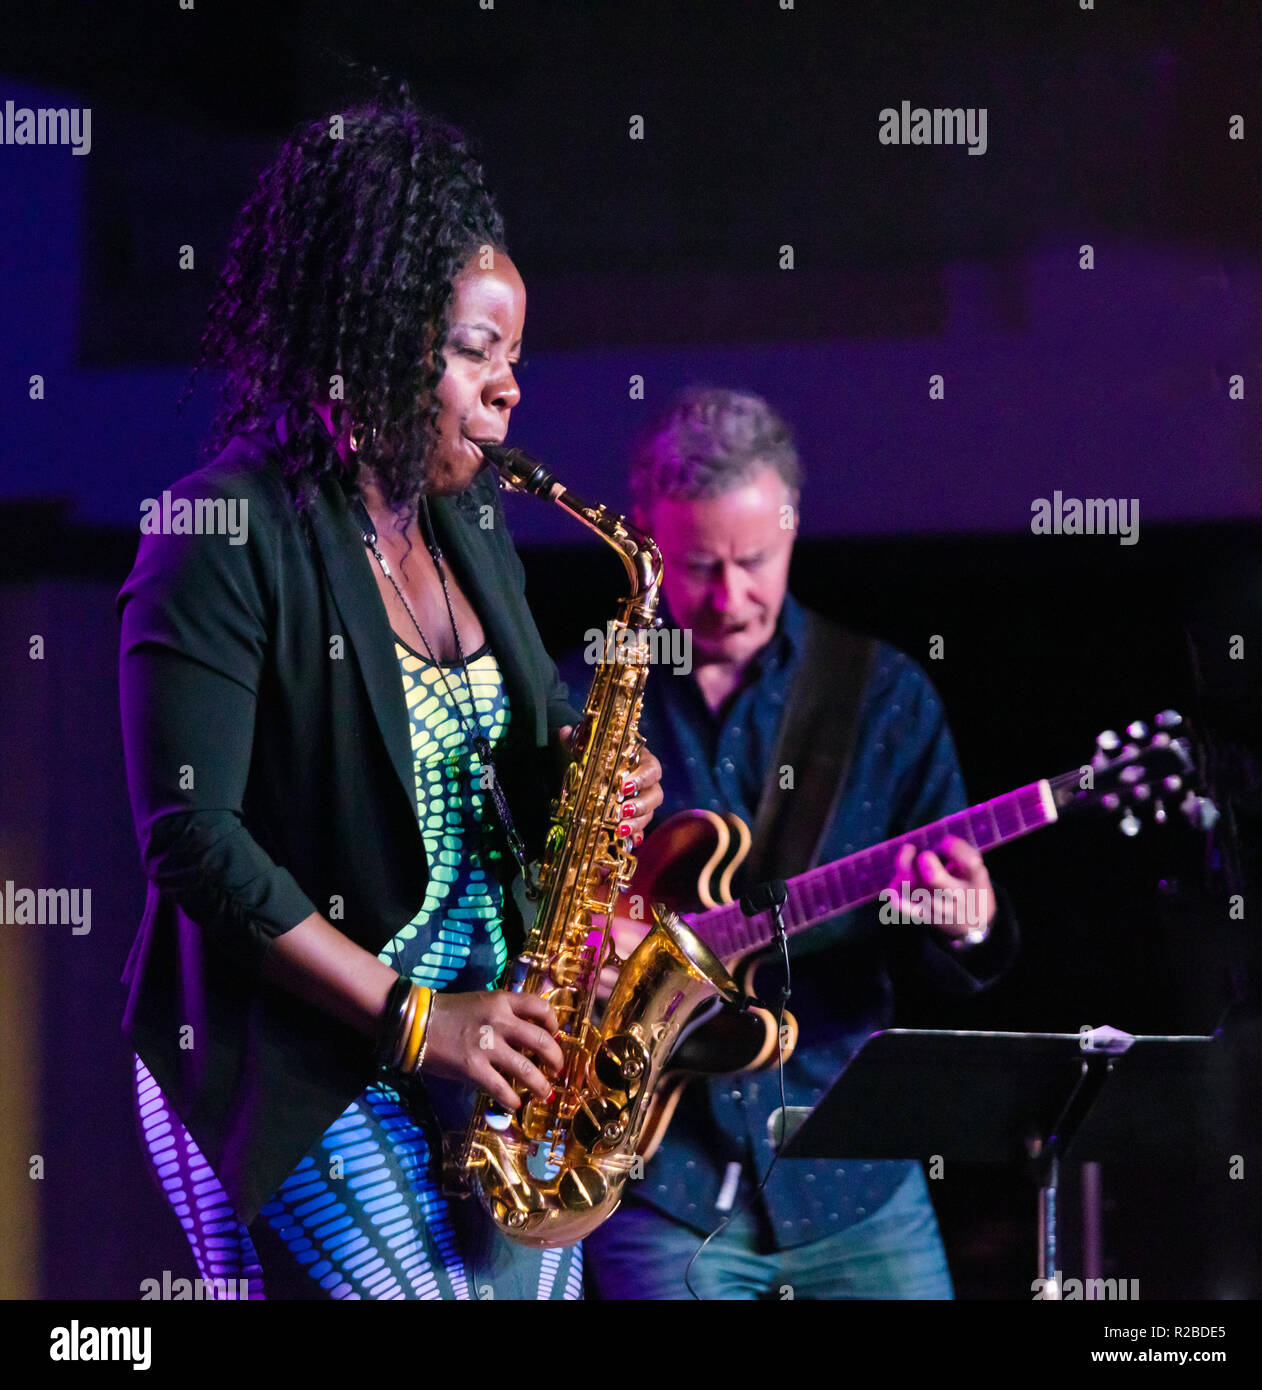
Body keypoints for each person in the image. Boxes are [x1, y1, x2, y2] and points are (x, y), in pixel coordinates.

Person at [117, 86, 663, 1301]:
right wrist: (418, 1020)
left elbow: (514, 745)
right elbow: (195, 843)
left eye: (512, 356)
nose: (507, 387)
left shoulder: (466, 515)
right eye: (474, 351)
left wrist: (587, 767)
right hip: (294, 1054)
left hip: (480, 1047)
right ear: (370, 334)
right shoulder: (222, 528)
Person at [576, 388, 1017, 1299]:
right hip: (654, 1179)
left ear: (793, 526)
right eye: (697, 566)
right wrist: (591, 953)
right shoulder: (581, 699)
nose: (730, 595)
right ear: (647, 547)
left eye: (755, 559)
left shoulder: (885, 696)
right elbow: (522, 906)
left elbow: (941, 951)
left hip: (851, 1174)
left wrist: (964, 923)